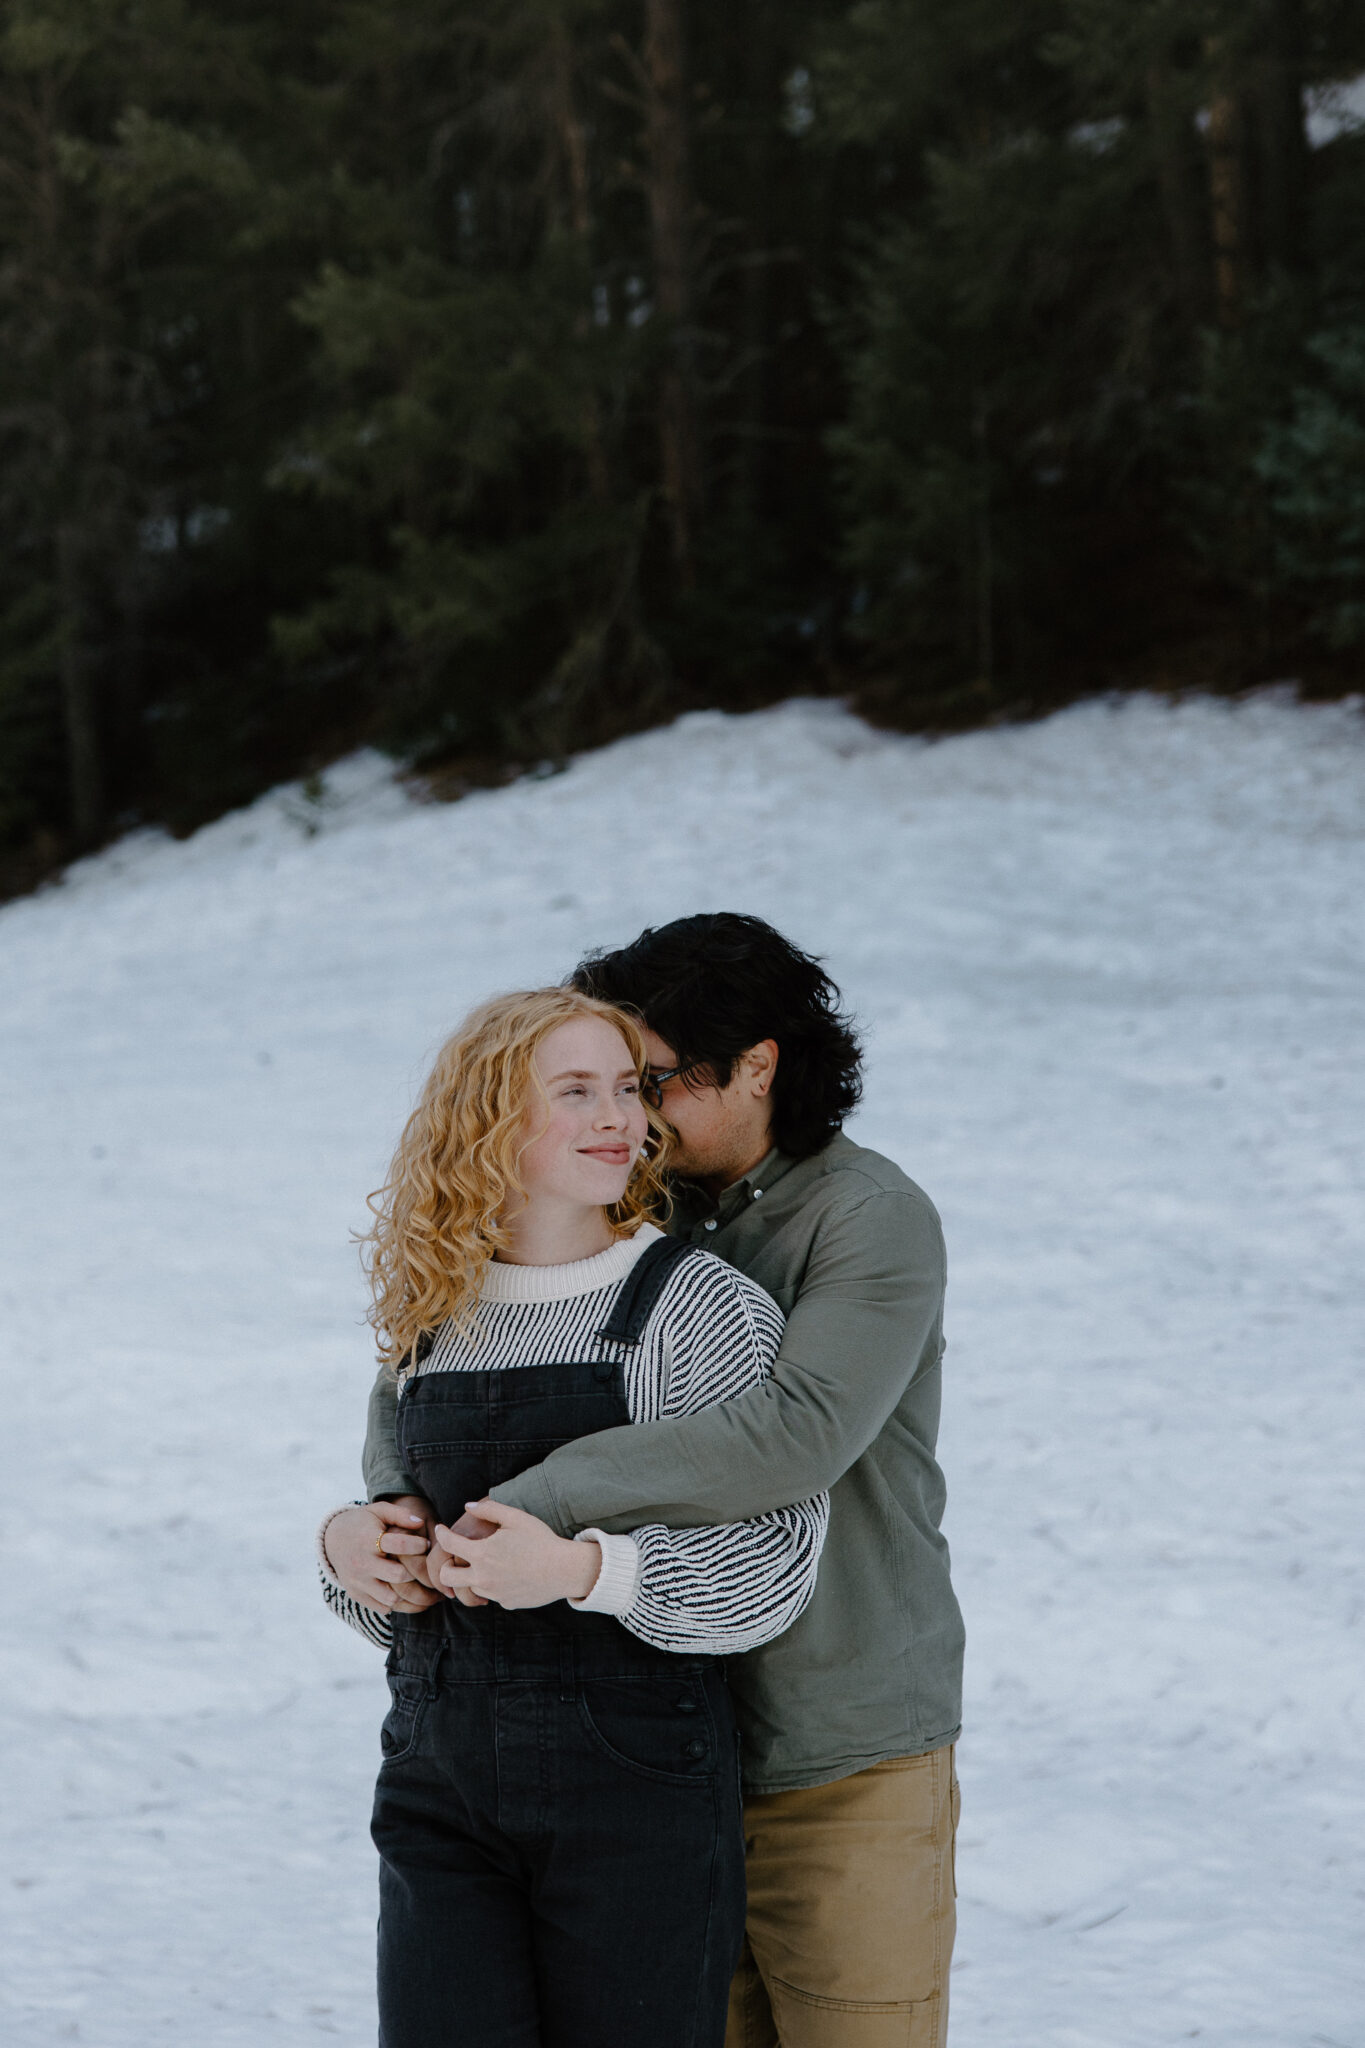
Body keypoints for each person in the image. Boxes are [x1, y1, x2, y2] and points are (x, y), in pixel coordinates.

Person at [330, 913, 964, 2048]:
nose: (628, 1116)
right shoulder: (626, 1207)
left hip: (832, 1736)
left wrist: (544, 1504)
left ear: (758, 1064)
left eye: (650, 1080)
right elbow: (420, 1397)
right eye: (600, 1085)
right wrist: (372, 1528)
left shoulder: (865, 1217)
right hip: (659, 1723)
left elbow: (796, 1431)